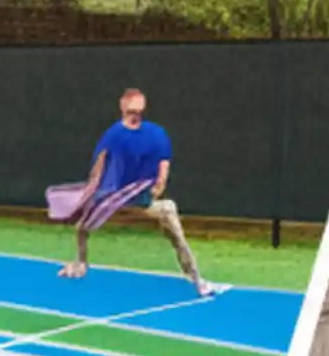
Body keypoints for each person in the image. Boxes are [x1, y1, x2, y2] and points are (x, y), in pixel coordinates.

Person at [57, 88, 218, 297]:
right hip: (114, 201)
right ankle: (81, 264)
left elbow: (163, 166)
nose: (135, 115)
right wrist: (88, 197)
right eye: (131, 110)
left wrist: (158, 187)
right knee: (81, 228)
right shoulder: (113, 134)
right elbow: (98, 169)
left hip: (142, 200)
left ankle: (197, 280)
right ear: (122, 107)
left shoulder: (156, 134)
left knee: (173, 223)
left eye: (139, 111)